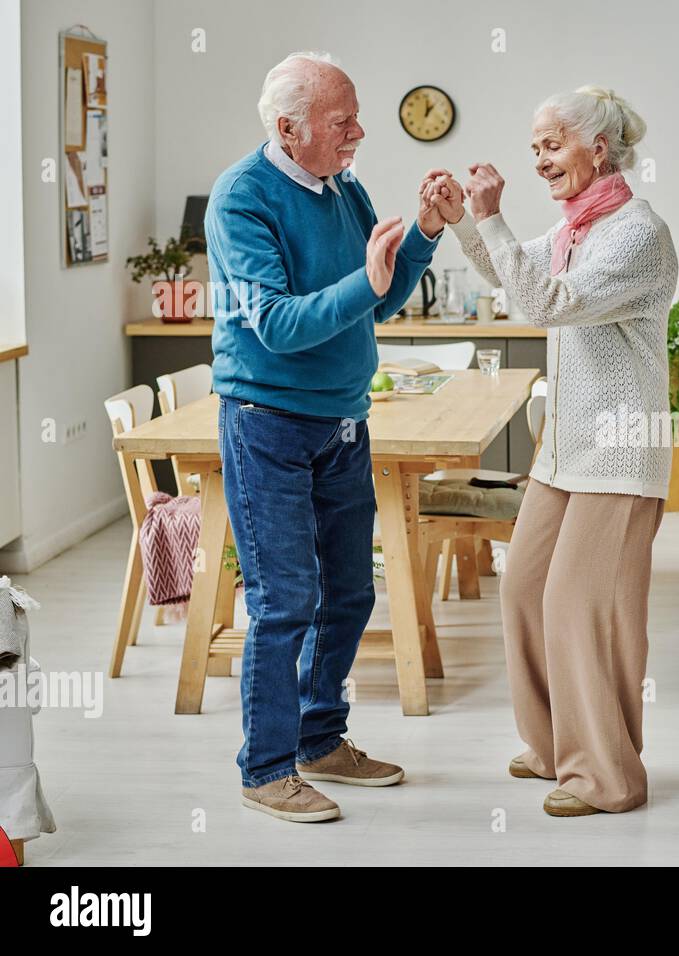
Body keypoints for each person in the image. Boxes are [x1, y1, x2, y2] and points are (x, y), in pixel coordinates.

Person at [206, 51, 450, 822]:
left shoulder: (344, 187)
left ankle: (320, 740)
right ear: (289, 127)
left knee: (349, 591)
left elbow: (373, 303)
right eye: (343, 121)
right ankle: (266, 767)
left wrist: (425, 235)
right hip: (267, 423)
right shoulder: (241, 199)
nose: (359, 132)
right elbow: (274, 325)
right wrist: (369, 281)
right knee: (285, 601)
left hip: (344, 423)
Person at [423, 86, 678, 816]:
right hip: (565, 450)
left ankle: (607, 775)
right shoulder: (578, 229)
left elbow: (544, 305)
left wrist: (493, 216)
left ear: (599, 148)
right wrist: (459, 222)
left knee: (580, 605)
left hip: (619, 452)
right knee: (525, 587)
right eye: (535, 145)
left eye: (552, 143)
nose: (540, 158)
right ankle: (552, 744)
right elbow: (510, 272)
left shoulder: (635, 232)